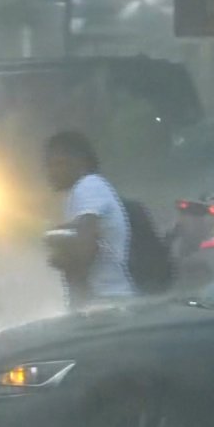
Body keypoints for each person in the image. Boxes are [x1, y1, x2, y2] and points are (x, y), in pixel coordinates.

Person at [42, 131, 136, 310]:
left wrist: (60, 253)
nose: (51, 172)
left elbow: (84, 249)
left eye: (58, 164)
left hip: (108, 302)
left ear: (80, 162)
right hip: (104, 301)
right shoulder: (81, 192)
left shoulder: (88, 186)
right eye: (48, 165)